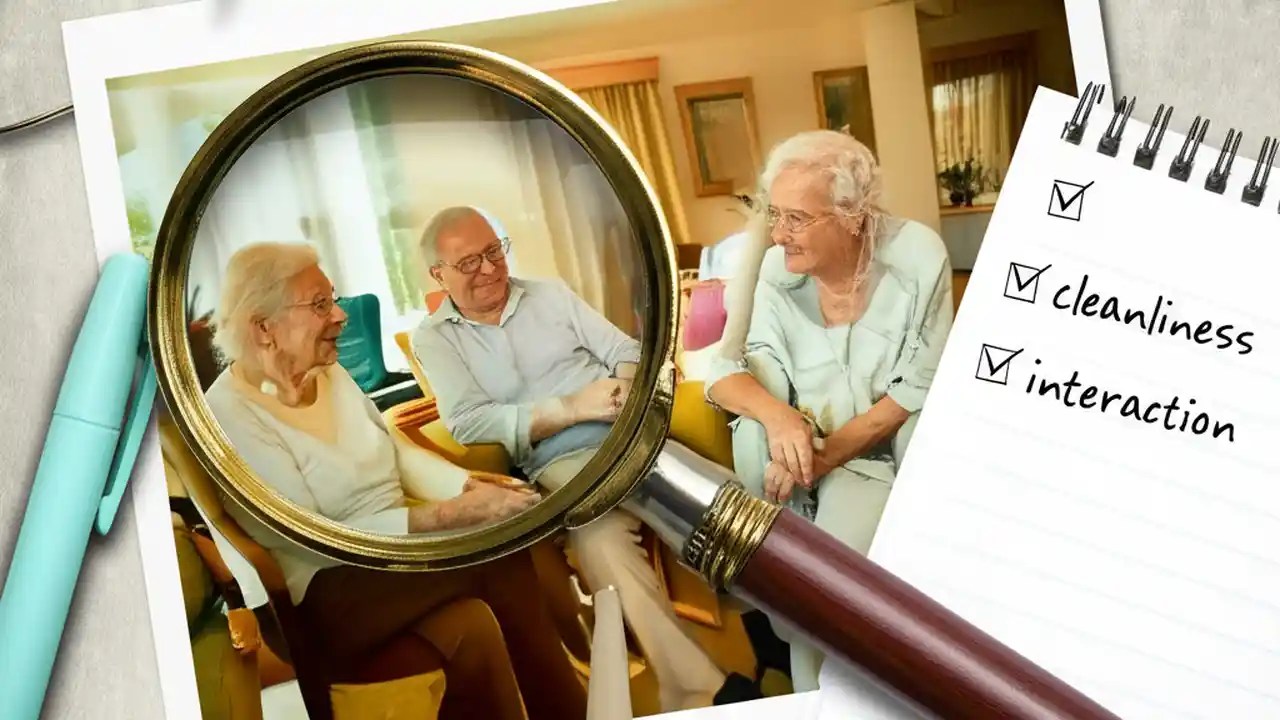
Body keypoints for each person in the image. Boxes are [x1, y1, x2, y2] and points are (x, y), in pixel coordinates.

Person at [203, 241, 587, 720]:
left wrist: (467, 488)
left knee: (502, 558)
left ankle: (576, 678)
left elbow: (393, 449)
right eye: (320, 304)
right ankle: (574, 706)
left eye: (333, 298)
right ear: (264, 328)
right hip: (322, 592)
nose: (340, 316)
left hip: (392, 568)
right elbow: (308, 537)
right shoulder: (228, 415)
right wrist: (446, 516)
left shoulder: (328, 373)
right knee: (499, 556)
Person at [411, 206, 736, 712]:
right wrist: (566, 410)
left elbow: (626, 349)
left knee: (606, 537)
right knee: (659, 510)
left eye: (494, 251)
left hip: (623, 434)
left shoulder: (549, 294)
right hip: (557, 459)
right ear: (439, 274)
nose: (491, 269)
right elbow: (468, 421)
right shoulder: (436, 338)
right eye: (470, 262)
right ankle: (711, 670)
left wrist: (627, 394)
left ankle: (730, 653)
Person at [705, 130, 954, 691]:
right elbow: (725, 374)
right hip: (793, 465)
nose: (778, 234)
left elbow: (920, 387)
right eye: (775, 215)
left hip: (878, 458)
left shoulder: (916, 258)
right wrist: (779, 417)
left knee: (821, 600)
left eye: (797, 219)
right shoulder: (777, 271)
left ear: (853, 215)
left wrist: (825, 456)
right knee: (806, 604)